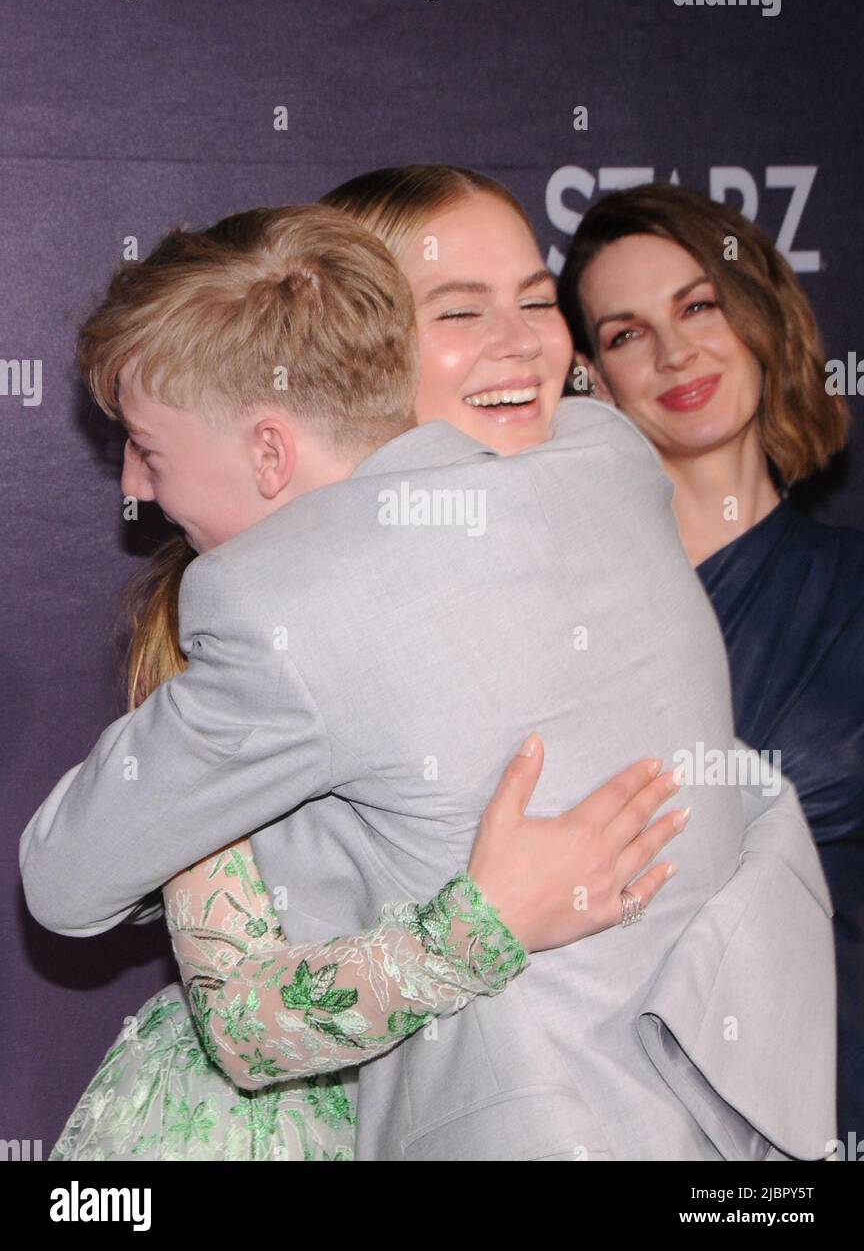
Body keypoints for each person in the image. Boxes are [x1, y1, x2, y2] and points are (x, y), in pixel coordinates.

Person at [20, 178, 835, 1162]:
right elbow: (241, 1016)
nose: (525, 345)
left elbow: (62, 876)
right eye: (460, 310)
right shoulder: (607, 452)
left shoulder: (270, 606)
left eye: (539, 300)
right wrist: (480, 924)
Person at [558, 179, 864, 1144]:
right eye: (625, 333)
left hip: (834, 1080)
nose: (675, 351)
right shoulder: (560, 609)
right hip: (619, 1099)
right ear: (594, 382)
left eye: (698, 305)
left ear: (760, 314)